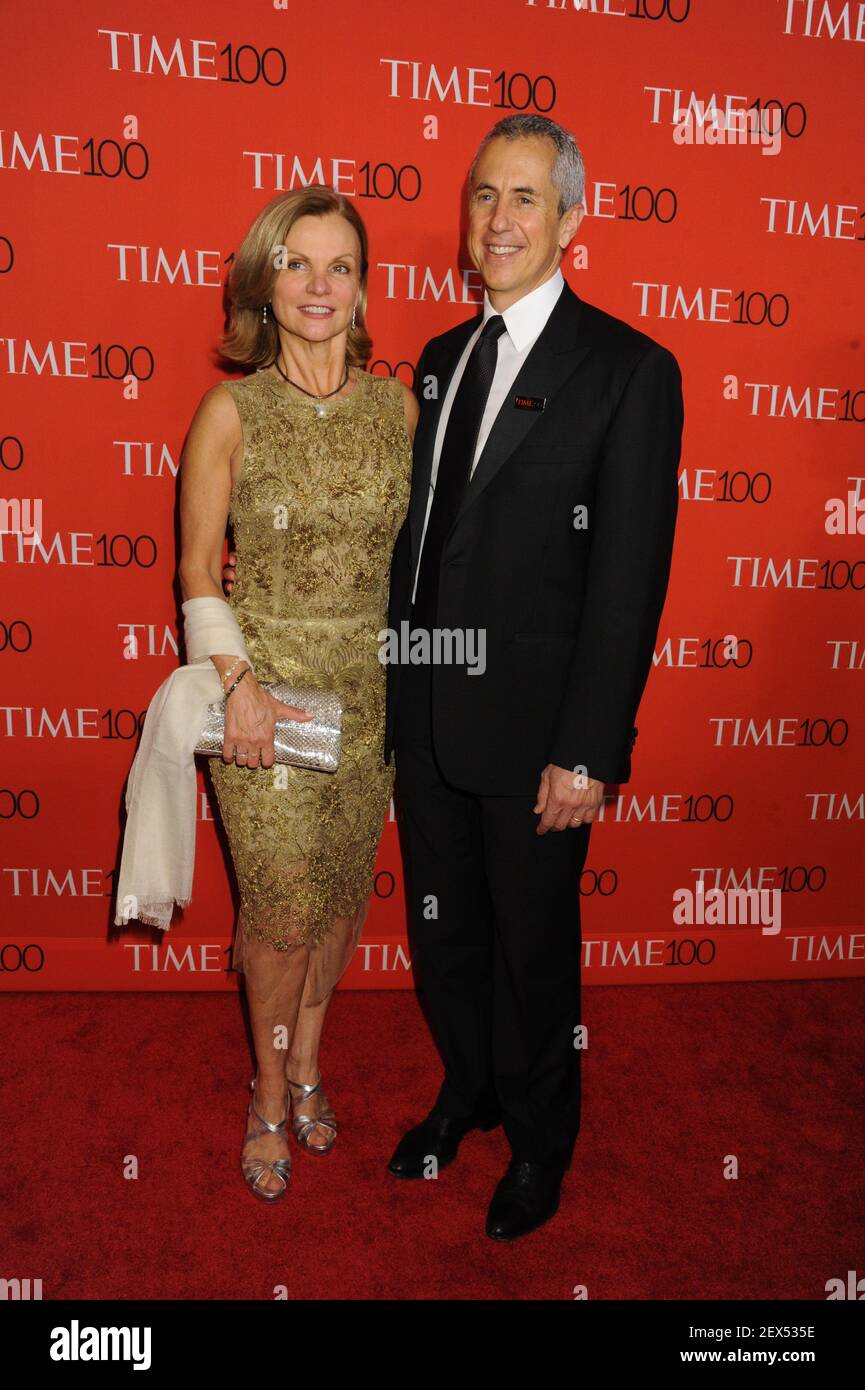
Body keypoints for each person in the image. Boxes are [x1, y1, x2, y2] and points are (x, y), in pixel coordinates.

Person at [383, 114, 684, 1239]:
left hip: (539, 736)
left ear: (569, 218)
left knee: (534, 948)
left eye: (522, 198)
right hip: (427, 711)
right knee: (446, 933)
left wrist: (589, 750)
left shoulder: (628, 370)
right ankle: (469, 1090)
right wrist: (398, 698)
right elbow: (422, 551)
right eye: (481, 197)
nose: (497, 219)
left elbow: (627, 584)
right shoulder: (438, 360)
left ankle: (542, 1140)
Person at [180, 185, 416, 1201]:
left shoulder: (398, 409)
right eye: (296, 264)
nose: (318, 285)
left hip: (367, 700)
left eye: (339, 266)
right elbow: (195, 568)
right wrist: (235, 684)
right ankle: (269, 1090)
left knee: (334, 904)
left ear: (362, 289)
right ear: (263, 285)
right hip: (265, 699)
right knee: (277, 910)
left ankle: (312, 1062)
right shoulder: (231, 410)